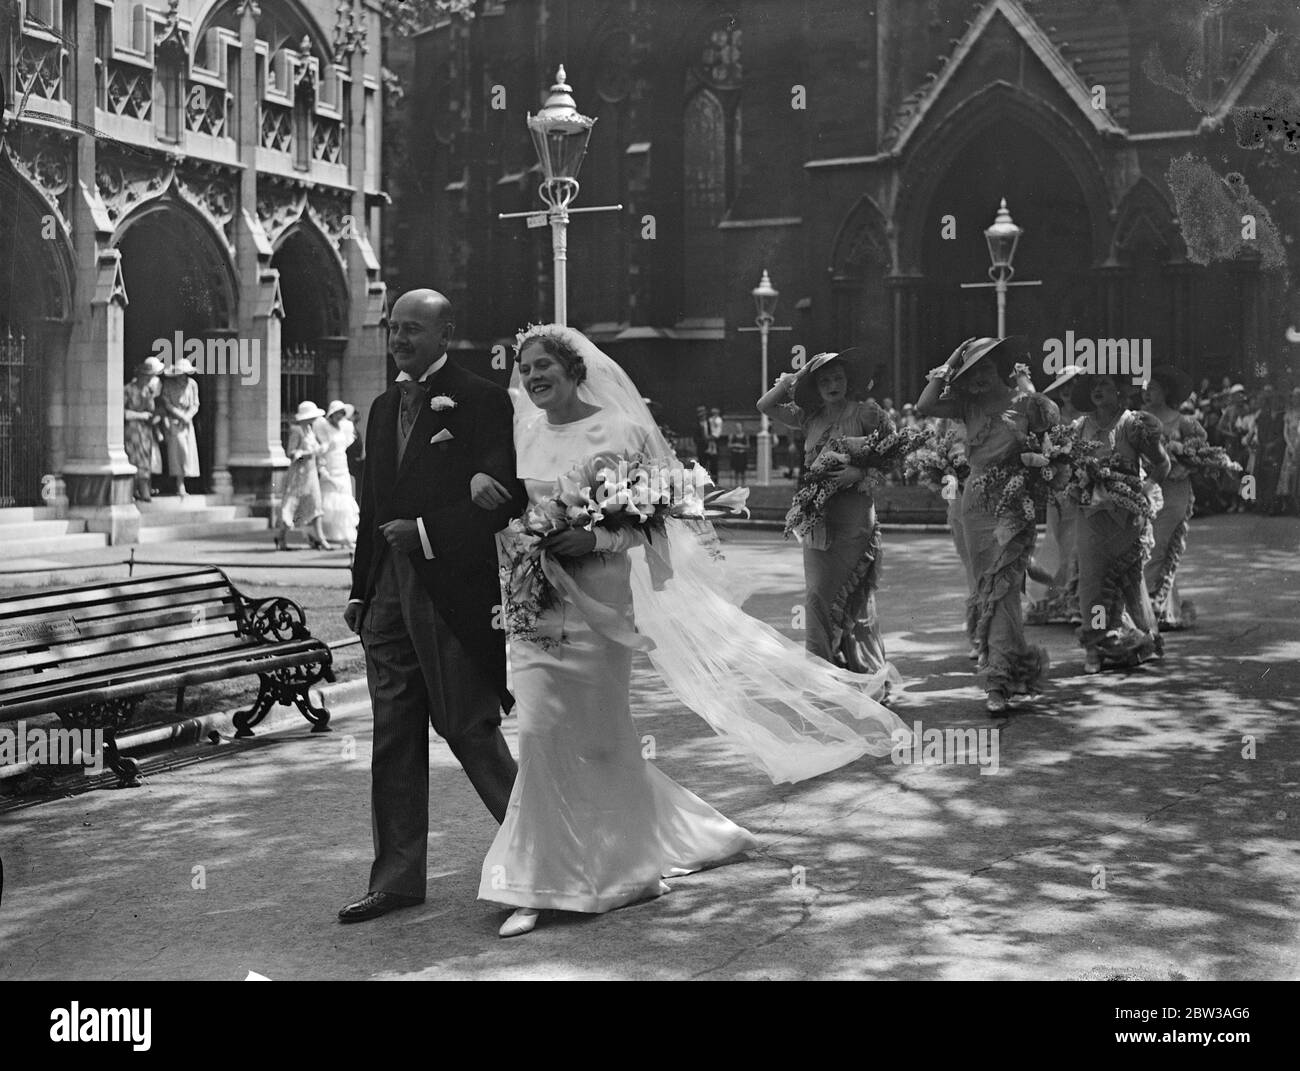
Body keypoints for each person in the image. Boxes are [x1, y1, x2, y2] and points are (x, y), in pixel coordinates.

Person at [482, 324, 905, 938]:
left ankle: (625, 859)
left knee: (602, 740)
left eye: (544, 365)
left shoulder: (621, 431)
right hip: (536, 604)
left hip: (601, 607)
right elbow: (518, 510)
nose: (532, 377)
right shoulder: (522, 429)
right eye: (525, 369)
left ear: (576, 369)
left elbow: (654, 522)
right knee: (541, 733)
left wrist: (595, 535)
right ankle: (536, 881)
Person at [338, 289, 525, 925]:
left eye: (413, 329)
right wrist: (360, 590)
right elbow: (370, 510)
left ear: (446, 333)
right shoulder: (383, 404)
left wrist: (423, 532)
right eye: (393, 328)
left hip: (449, 595)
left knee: (467, 726)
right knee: (392, 735)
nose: (399, 339)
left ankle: (548, 853)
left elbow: (503, 498)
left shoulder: (482, 399)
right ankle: (395, 879)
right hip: (385, 596)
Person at [916, 336, 1059, 713]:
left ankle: (997, 681)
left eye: (986, 368)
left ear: (1003, 368)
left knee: (1004, 589)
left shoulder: (1028, 404)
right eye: (972, 371)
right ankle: (1014, 666)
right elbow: (924, 404)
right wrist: (951, 358)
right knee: (989, 588)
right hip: (975, 502)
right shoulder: (966, 404)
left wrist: (1043, 472)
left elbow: (1053, 448)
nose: (979, 377)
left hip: (1013, 501)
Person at [758, 349, 892, 675]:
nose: (833, 385)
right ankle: (819, 672)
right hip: (817, 517)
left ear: (848, 382)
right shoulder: (809, 417)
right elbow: (765, 405)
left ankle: (865, 669)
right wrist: (797, 376)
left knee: (855, 595)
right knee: (818, 594)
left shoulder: (867, 413)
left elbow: (890, 456)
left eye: (838, 378)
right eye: (825, 380)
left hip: (855, 516)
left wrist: (857, 474)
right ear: (816, 387)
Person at [1070, 373, 1169, 673]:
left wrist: (1144, 489)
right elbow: (1068, 467)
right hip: (1091, 517)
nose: (1098, 390)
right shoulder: (1079, 427)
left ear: (1120, 391)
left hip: (1127, 518)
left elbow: (1162, 464)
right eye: (1094, 386)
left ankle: (1144, 640)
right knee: (1092, 582)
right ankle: (1096, 646)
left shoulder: (1133, 425)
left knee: (1129, 580)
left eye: (1105, 384)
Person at [1142, 365, 1204, 630]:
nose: (1148, 391)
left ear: (1165, 391)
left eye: (1153, 387)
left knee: (1161, 545)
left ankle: (1156, 608)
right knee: (1147, 545)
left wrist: (1182, 458)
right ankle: (1160, 608)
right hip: (1148, 487)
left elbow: (1200, 453)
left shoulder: (1185, 422)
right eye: (1147, 387)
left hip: (1176, 489)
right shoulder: (1139, 418)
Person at [1026, 365, 1084, 627]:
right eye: (1064, 387)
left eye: (1073, 386)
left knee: (1076, 545)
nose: (1068, 392)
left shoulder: (1087, 417)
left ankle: (1075, 600)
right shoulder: (1053, 419)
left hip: (1083, 488)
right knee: (1056, 543)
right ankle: (1057, 597)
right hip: (1057, 489)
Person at [276, 402, 332, 551]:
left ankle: (321, 538)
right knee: (291, 505)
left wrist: (319, 452)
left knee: (315, 504)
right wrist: (307, 453)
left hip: (311, 472)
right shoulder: (297, 431)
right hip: (299, 473)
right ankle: (281, 537)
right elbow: (291, 452)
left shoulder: (310, 430)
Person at [319, 399, 361, 548]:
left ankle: (345, 534)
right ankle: (327, 533)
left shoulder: (345, 428)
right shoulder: (324, 428)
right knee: (330, 498)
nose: (339, 417)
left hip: (342, 465)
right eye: (337, 414)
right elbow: (323, 448)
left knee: (345, 499)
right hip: (330, 464)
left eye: (341, 414)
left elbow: (347, 443)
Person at [123, 357, 163, 502]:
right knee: (133, 459)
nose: (148, 379)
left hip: (146, 431)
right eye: (147, 376)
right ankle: (131, 492)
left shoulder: (149, 391)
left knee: (145, 460)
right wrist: (140, 415)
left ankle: (144, 491)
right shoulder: (127, 390)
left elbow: (153, 411)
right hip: (132, 430)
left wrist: (156, 422)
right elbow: (122, 412)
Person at [159, 357, 200, 497]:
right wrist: (179, 415)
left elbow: (195, 403)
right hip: (174, 421)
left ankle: (185, 482)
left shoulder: (192, 384)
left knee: (188, 453)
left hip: (187, 422)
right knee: (177, 451)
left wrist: (188, 416)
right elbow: (166, 402)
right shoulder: (168, 384)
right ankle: (179, 484)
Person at [1276, 387, 1300, 516]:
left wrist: (1297, 444)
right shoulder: (1289, 413)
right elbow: (1285, 431)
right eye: (1294, 397)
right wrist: (1290, 445)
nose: (1296, 399)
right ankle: (1287, 504)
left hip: (1299, 445)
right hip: (1290, 446)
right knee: (1288, 474)